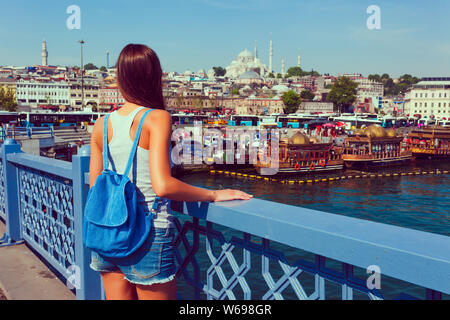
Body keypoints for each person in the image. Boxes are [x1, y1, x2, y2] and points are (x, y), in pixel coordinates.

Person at [88, 44, 252, 300]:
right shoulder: (156, 118)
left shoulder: (101, 124)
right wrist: (213, 195)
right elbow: (162, 185)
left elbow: (94, 187)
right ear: (155, 77)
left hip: (108, 233)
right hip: (148, 234)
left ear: (120, 78)